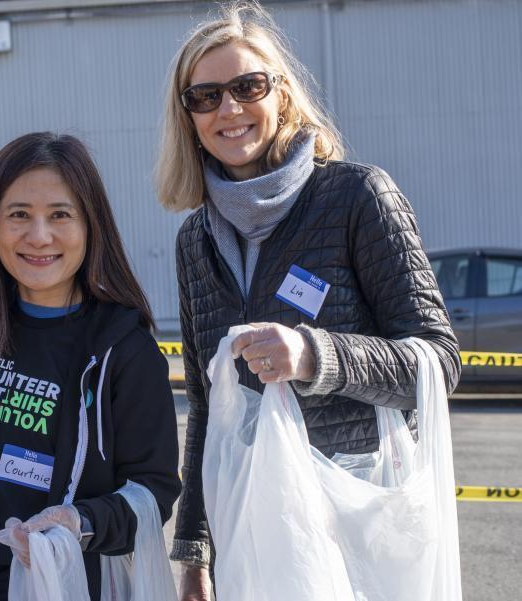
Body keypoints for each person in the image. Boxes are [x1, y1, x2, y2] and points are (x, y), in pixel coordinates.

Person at [154, 2, 461, 599]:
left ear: (283, 96)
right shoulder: (196, 240)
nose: (230, 109)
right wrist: (194, 553)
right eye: (206, 97)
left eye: (248, 86)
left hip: (360, 518)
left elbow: (439, 360)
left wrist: (316, 356)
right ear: (188, 116)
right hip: (258, 522)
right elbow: (203, 403)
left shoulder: (357, 196)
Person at [0, 132, 181, 600]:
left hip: (67, 588)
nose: (39, 236)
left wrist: (79, 522)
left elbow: (155, 491)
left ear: (91, 225)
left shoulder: (123, 351)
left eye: (60, 215)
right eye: (19, 215)